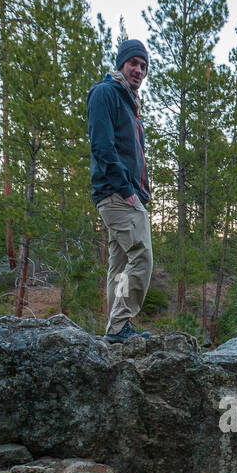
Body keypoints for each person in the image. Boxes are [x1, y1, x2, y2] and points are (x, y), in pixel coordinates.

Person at [87, 38, 153, 341]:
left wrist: (144, 189)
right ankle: (119, 324)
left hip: (127, 194)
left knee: (121, 266)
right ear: (121, 64)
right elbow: (102, 146)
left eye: (143, 66)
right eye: (133, 63)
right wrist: (126, 189)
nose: (138, 70)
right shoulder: (105, 94)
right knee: (142, 255)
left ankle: (115, 329)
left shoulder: (129, 103)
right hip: (116, 194)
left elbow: (133, 153)